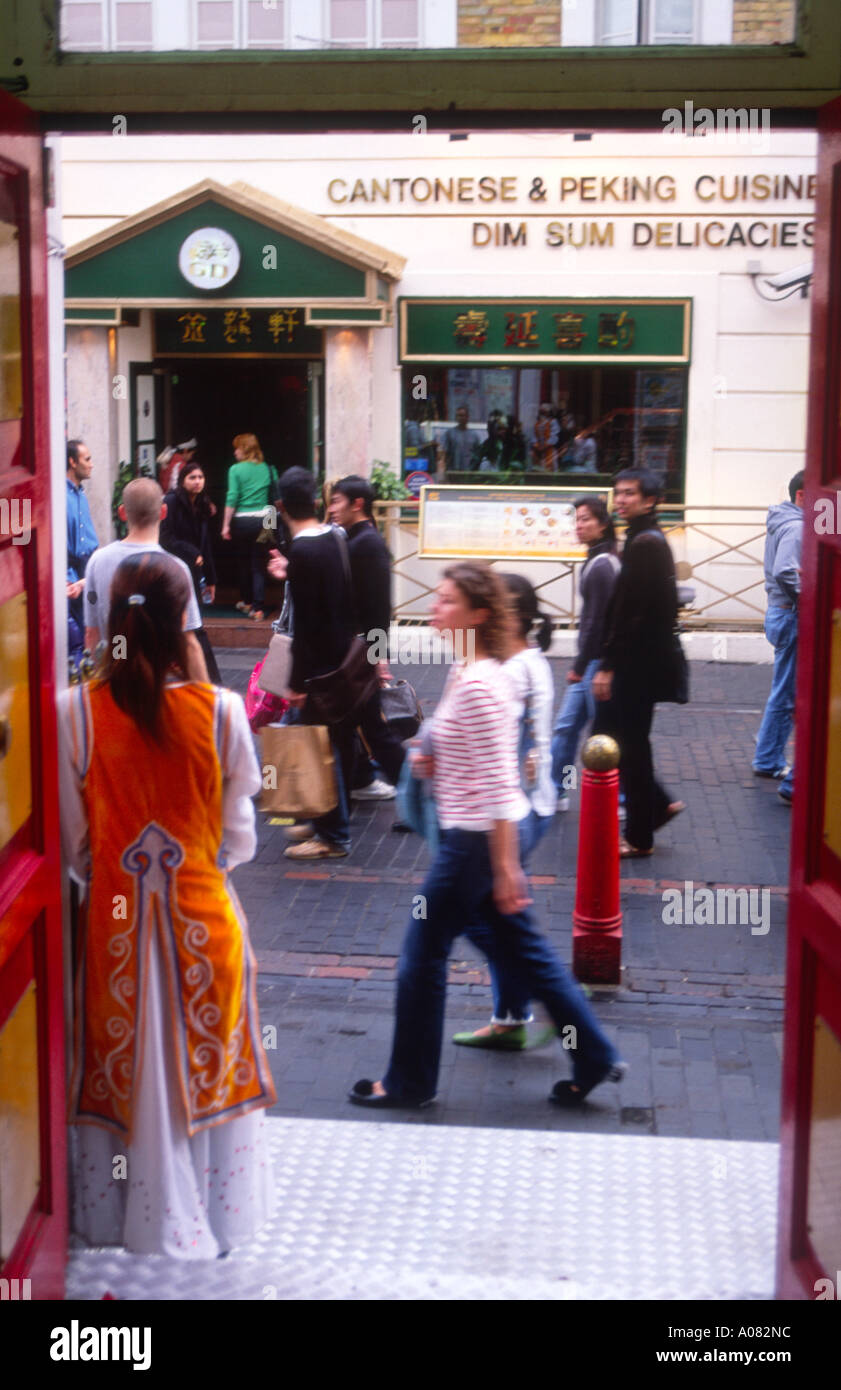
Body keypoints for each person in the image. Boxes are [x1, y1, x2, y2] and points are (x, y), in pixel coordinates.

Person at [57, 551, 276, 1258]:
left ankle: (117, 1218)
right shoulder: (222, 712)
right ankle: (206, 1222)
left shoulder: (74, 714)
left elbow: (75, 849)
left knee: (123, 1078)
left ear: (111, 614)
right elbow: (238, 842)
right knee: (202, 1075)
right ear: (187, 617)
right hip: (205, 924)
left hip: (113, 929)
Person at [348, 561, 626, 1110]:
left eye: (447, 600)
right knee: (526, 952)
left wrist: (505, 868)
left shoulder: (482, 682)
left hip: (472, 844)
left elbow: (501, 781)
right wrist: (431, 755)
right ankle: (592, 1055)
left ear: (478, 614)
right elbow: (470, 757)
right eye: (437, 596)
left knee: (422, 955)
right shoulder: (469, 669)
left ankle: (409, 1082)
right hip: (472, 839)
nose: (435, 606)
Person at [452, 572, 560, 1050]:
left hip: (513, 811)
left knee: (474, 911)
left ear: (507, 617)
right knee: (503, 913)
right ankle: (511, 1016)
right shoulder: (530, 662)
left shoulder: (510, 671)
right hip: (531, 804)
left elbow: (496, 755)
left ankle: (546, 995)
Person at [591, 469, 685, 857]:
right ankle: (655, 807)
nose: (622, 500)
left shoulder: (645, 543)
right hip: (640, 662)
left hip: (636, 665)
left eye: (630, 493)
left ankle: (640, 834)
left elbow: (633, 613)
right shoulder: (643, 538)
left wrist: (608, 665)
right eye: (618, 493)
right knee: (623, 740)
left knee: (626, 745)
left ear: (650, 500)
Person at [269, 467, 358, 860]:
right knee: (328, 744)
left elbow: (305, 623)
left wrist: (298, 682)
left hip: (319, 666)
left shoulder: (303, 550)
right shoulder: (336, 536)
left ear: (281, 506)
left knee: (320, 748)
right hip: (343, 659)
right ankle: (319, 819)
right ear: (318, 501)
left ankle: (333, 835)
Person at [83, 477, 208, 682]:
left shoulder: (97, 561)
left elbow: (91, 633)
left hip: (115, 674)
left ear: (122, 512)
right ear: (163, 512)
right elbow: (188, 641)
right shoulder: (177, 568)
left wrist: (99, 679)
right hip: (162, 682)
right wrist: (206, 699)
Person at [328, 474, 406, 801]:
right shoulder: (354, 539)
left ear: (357, 504)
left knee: (375, 729)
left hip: (360, 652)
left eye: (336, 501)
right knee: (360, 725)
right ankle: (358, 782)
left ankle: (420, 793)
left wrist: (377, 658)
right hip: (357, 650)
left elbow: (377, 609)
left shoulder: (368, 544)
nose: (331, 508)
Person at [551, 497, 621, 811]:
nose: (579, 526)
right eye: (577, 520)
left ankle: (621, 798)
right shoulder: (597, 559)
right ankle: (559, 789)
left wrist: (581, 666)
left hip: (596, 663)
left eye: (586, 520)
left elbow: (599, 621)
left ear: (603, 524)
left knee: (604, 733)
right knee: (565, 729)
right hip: (590, 662)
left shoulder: (604, 564)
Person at [752, 469, 804, 806]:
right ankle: (769, 759)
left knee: (783, 689)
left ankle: (767, 758)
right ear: (802, 495)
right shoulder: (799, 526)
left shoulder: (785, 520)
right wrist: (810, 597)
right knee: (786, 692)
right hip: (790, 612)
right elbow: (787, 569)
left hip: (780, 611)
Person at [161, 461, 220, 683]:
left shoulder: (203, 504)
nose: (197, 482)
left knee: (191, 626)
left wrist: (211, 579)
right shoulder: (171, 502)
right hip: (175, 571)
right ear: (183, 480)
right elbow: (165, 537)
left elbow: (206, 546)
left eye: (200, 477)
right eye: (192, 477)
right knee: (192, 628)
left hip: (194, 572)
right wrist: (191, 552)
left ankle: (196, 678)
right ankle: (211, 682)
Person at [221, 433, 278, 622]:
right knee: (258, 565)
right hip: (264, 520)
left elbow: (232, 497)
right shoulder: (269, 469)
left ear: (244, 449)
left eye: (237, 448)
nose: (235, 452)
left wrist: (225, 525)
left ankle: (246, 601)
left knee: (244, 562)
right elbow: (275, 500)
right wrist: (273, 526)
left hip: (242, 521)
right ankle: (258, 608)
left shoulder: (235, 469)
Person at [66, 439, 99, 663]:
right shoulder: (58, 494)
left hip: (88, 568)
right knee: (78, 637)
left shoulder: (81, 493)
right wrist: (68, 579)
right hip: (72, 573)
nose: (92, 464)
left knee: (97, 629)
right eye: (87, 459)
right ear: (72, 462)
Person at [443, 406, 480, 472]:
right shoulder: (450, 433)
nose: (461, 418)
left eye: (463, 415)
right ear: (456, 417)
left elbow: (478, 455)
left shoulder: (474, 435)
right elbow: (445, 454)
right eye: (458, 416)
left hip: (469, 472)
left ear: (467, 417)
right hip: (453, 471)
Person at [530, 403, 560, 472]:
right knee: (537, 469)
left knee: (550, 469)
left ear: (548, 412)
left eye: (544, 411)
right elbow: (534, 436)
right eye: (541, 411)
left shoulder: (553, 422)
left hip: (549, 450)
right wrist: (536, 445)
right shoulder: (537, 423)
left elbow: (554, 437)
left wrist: (545, 446)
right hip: (538, 450)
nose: (543, 413)